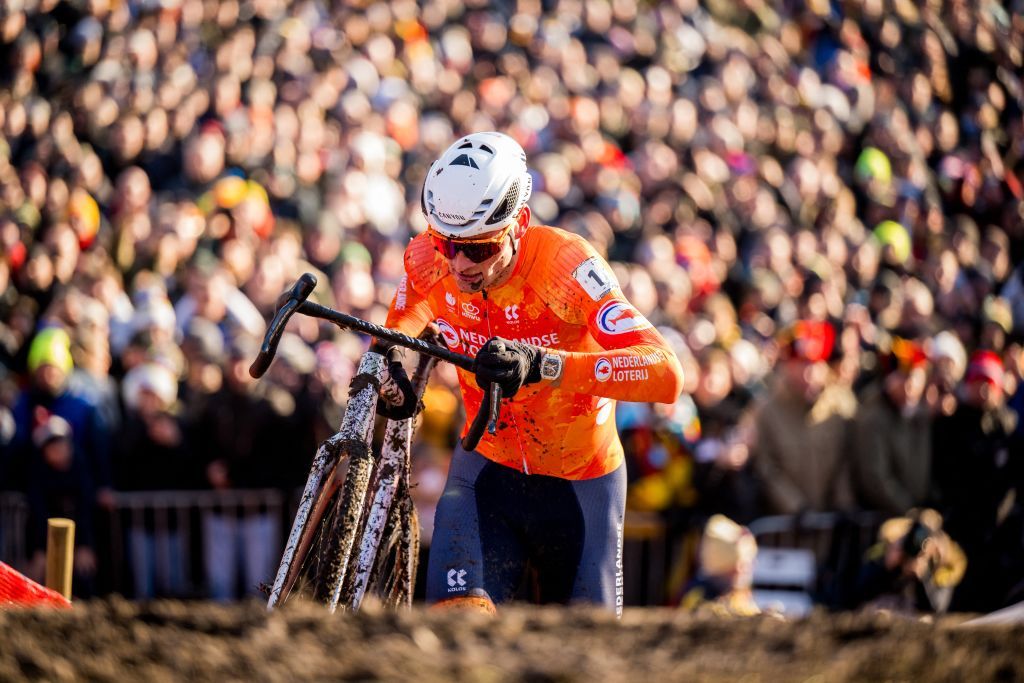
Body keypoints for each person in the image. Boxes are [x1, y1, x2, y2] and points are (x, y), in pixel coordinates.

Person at [377, 132, 684, 615]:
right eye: (446, 243)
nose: (459, 264)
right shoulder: (427, 257)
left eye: (478, 249)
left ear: (519, 223)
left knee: (584, 655)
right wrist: (391, 359)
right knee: (453, 631)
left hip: (581, 486)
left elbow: (664, 373)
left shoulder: (567, 265)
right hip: (486, 473)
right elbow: (403, 319)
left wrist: (546, 366)